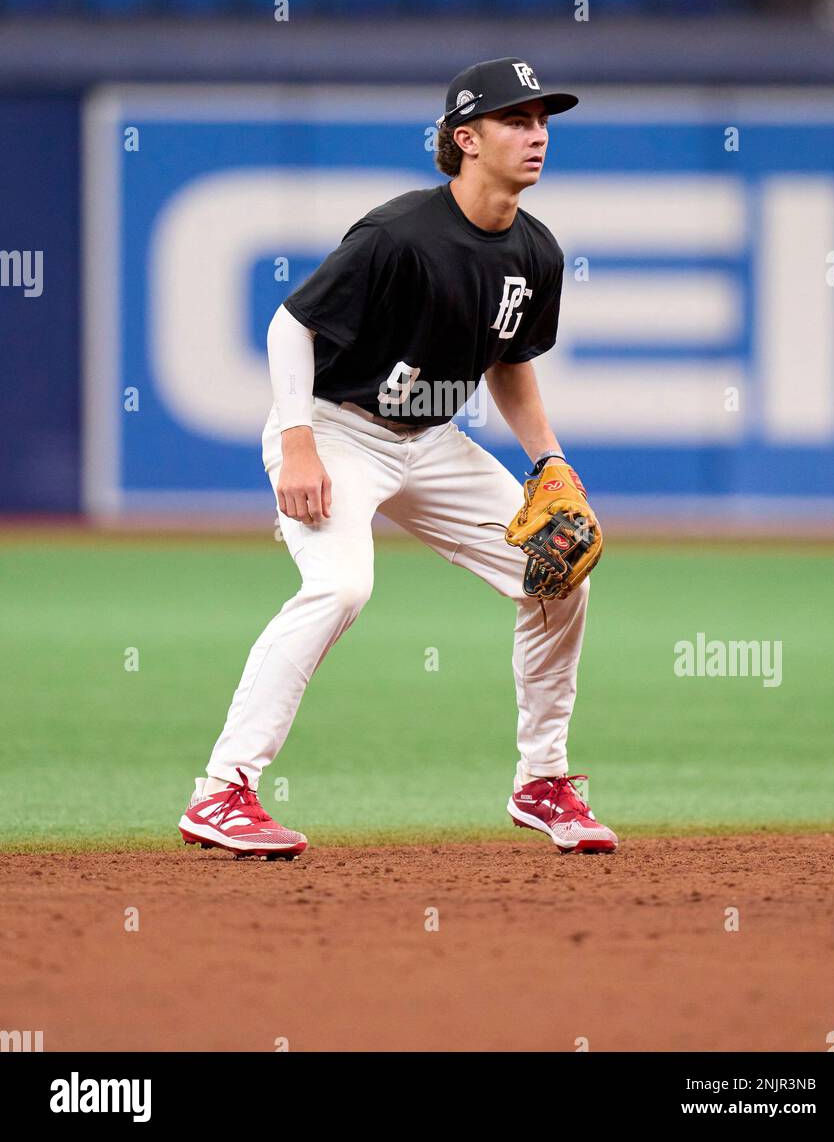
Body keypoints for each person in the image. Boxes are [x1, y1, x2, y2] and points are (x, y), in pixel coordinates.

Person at [178, 57, 617, 859]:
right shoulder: (400, 233)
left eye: (543, 120)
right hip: (331, 428)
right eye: (516, 120)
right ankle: (223, 790)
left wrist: (549, 462)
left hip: (429, 442)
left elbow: (508, 360)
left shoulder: (536, 252)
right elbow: (289, 326)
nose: (537, 135)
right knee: (342, 585)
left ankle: (542, 780)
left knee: (556, 571)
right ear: (465, 138)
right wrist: (299, 444)